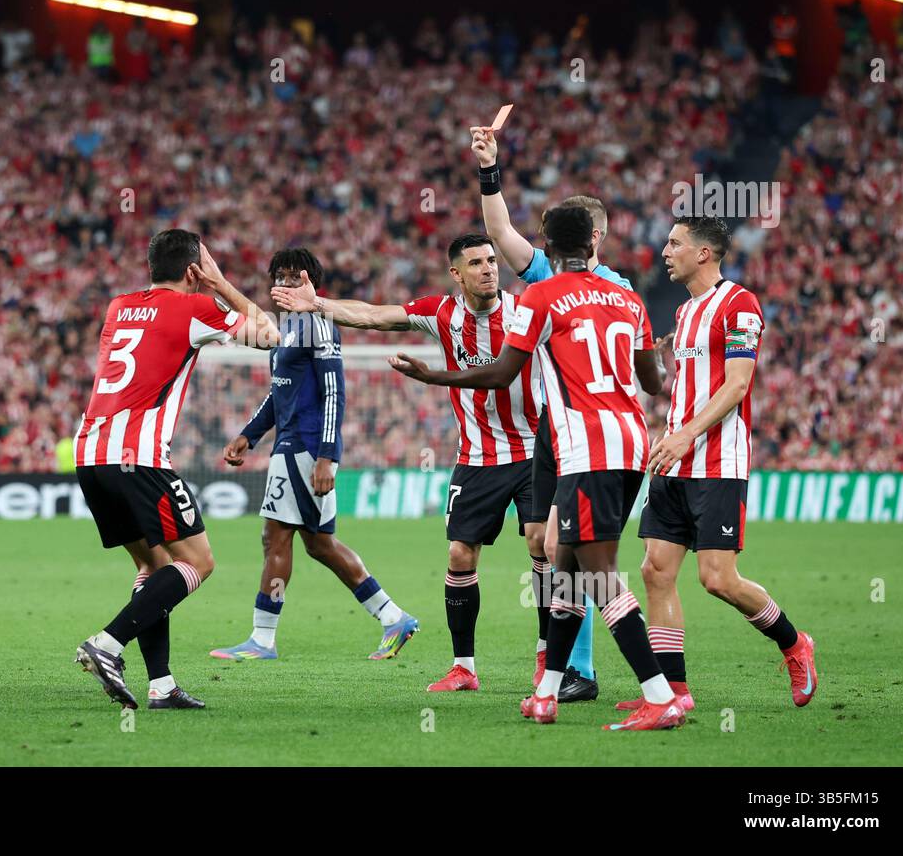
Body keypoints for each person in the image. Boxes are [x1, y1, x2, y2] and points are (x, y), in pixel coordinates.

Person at [390, 206, 685, 730]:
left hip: (584, 446)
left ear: (546, 245)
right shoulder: (627, 298)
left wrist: (434, 377)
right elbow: (655, 382)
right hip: (632, 440)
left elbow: (503, 374)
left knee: (598, 575)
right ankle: (547, 691)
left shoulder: (539, 296)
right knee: (561, 559)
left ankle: (660, 695)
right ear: (593, 244)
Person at [272, 234, 540, 693]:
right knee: (459, 555)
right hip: (477, 456)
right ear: (456, 274)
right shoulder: (442, 313)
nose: (489, 269)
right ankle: (464, 668)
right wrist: (320, 305)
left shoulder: (525, 313)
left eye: (492, 260)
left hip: (536, 451)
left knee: (543, 545)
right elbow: (374, 315)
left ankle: (546, 661)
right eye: (476, 263)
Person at [73, 230, 280, 710]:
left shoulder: (118, 306)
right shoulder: (195, 308)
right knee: (199, 562)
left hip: (91, 455)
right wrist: (222, 283)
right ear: (194, 270)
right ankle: (106, 644)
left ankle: (161, 686)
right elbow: (269, 336)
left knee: (153, 565)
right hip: (139, 458)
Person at [621, 216, 817, 712]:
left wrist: (687, 433)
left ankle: (795, 644)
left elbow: (736, 384)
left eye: (674, 243)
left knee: (718, 579)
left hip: (716, 462)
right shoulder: (686, 314)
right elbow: (685, 385)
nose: (663, 250)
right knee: (656, 570)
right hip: (674, 460)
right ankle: (672, 692)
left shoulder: (739, 304)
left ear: (704, 253)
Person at [471, 124, 637, 702]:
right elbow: (499, 230)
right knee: (545, 544)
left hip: (582, 434)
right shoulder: (611, 286)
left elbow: (500, 232)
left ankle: (581, 671)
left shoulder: (568, 282)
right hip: (558, 432)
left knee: (577, 552)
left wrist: (490, 171)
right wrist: (490, 169)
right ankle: (560, 668)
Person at [211, 248, 417, 662]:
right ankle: (393, 617)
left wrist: (328, 456)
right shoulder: (285, 330)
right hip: (289, 443)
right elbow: (279, 391)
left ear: (312, 285)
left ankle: (262, 639)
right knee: (320, 545)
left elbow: (334, 392)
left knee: (276, 537)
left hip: (304, 446)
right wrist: (249, 436)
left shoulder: (316, 324)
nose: (287, 284)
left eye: (296, 278)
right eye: (281, 277)